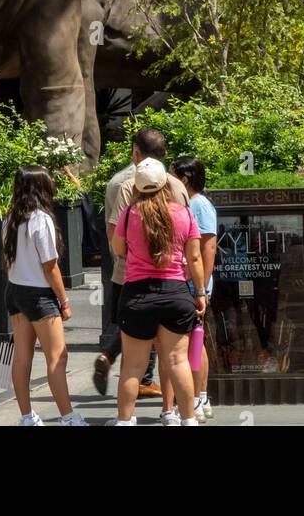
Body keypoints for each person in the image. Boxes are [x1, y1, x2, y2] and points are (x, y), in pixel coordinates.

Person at [93, 127, 189, 405]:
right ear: (166, 154)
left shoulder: (120, 184)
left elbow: (115, 239)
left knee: (133, 350)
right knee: (174, 356)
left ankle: (126, 416)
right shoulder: (179, 187)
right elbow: (191, 246)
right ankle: (174, 413)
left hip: (130, 278)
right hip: (174, 280)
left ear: (136, 153)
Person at [112, 158, 206, 427]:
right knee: (178, 362)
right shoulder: (184, 213)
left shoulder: (130, 214)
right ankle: (187, 419)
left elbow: (117, 249)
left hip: (137, 295)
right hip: (175, 293)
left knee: (132, 366)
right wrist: (199, 292)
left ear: (137, 187)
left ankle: (125, 421)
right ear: (167, 183)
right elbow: (196, 258)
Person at [1, 165, 88, 426]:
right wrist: (64, 301)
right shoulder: (42, 220)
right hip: (39, 294)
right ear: (41, 188)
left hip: (15, 289)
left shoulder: (10, 219)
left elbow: (8, 261)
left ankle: (27, 416)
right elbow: (50, 267)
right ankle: (68, 417)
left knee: (22, 356)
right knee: (58, 357)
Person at [170, 156, 217, 423]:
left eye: (172, 174)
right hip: (189, 284)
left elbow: (208, 248)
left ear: (184, 180)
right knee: (194, 340)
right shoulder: (189, 204)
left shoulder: (199, 205)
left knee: (194, 341)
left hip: (193, 285)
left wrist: (201, 287)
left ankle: (198, 397)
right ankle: (201, 396)